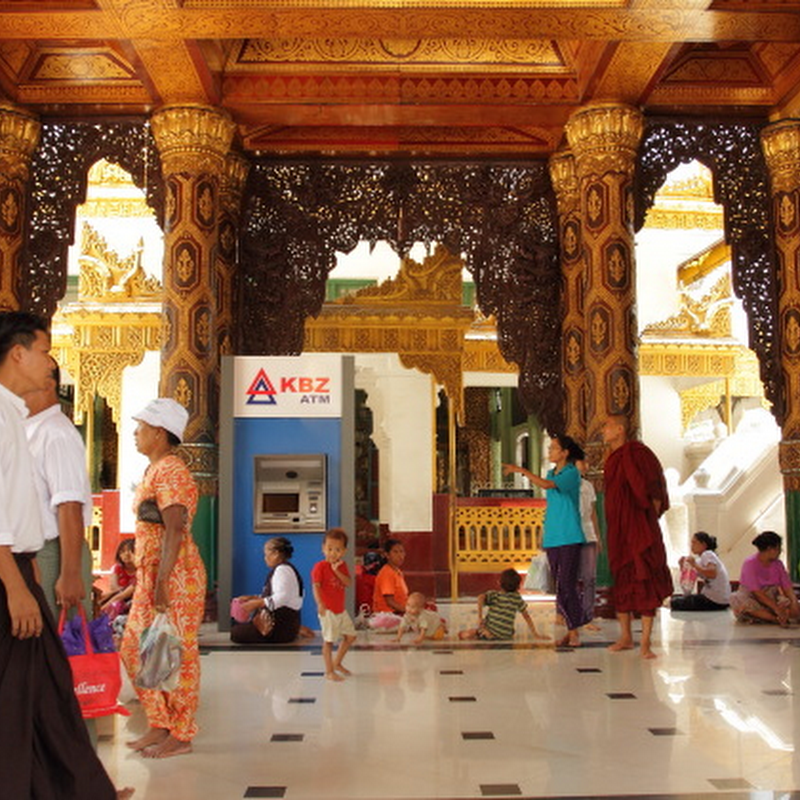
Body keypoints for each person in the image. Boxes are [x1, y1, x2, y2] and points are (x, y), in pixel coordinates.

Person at [0, 311, 132, 799]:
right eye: (43, 351)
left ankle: (79, 786)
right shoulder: (5, 418)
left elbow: (63, 508)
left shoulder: (38, 426)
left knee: (47, 684)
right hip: (13, 569)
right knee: (29, 689)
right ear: (17, 354)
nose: (51, 364)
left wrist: (48, 573)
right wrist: (18, 585)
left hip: (29, 563)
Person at [120, 398, 207, 759]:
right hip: (150, 575)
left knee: (180, 653)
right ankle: (160, 722)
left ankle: (182, 732)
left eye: (141, 428)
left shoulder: (171, 470)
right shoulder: (154, 470)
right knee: (133, 649)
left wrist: (161, 583)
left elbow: (174, 529)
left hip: (175, 576)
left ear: (159, 433)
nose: (136, 434)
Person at [23, 365, 94, 621]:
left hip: (53, 555)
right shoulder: (30, 429)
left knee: (55, 644)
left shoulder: (55, 433)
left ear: (47, 383)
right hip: (32, 553)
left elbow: (69, 505)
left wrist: (70, 574)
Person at [504, 433, 586, 648]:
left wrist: (522, 471)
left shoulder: (571, 473)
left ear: (565, 453)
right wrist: (544, 535)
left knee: (568, 585)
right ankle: (571, 630)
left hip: (569, 536)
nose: (549, 452)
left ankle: (575, 630)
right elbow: (551, 505)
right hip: (553, 537)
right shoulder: (552, 471)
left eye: (553, 448)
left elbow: (548, 485)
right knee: (559, 587)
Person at [602, 415, 673, 659]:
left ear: (620, 430)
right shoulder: (611, 460)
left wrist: (648, 520)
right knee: (622, 579)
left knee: (645, 581)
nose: (603, 430)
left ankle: (645, 642)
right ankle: (625, 637)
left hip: (639, 527)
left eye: (607, 426)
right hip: (619, 529)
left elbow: (654, 488)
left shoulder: (638, 454)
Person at [230, 536, 305, 644]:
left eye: (266, 555)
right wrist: (253, 598)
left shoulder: (282, 570)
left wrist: (257, 603)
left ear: (276, 553)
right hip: (286, 625)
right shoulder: (283, 569)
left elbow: (282, 597)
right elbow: (276, 596)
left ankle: (294, 631)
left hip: (280, 627)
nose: (265, 558)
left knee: (236, 633)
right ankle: (297, 630)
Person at [311, 527, 357, 681]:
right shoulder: (320, 567)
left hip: (340, 610)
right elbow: (316, 586)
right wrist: (320, 603)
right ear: (323, 548)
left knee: (350, 637)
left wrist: (337, 571)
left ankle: (337, 663)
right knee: (329, 641)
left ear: (344, 551)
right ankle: (329, 671)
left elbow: (348, 583)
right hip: (328, 610)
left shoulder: (342, 566)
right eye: (329, 549)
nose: (333, 553)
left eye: (337, 550)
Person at [729, 531, 800, 625]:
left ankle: (777, 616)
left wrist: (794, 602)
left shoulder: (778, 564)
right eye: (778, 549)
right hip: (752, 597)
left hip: (772, 597)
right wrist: (776, 609)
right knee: (741, 602)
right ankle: (774, 619)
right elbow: (757, 592)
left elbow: (787, 586)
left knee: (788, 604)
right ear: (770, 549)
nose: (780, 551)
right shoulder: (750, 563)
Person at [458, 568, 547, 641]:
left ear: (499, 583)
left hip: (490, 629)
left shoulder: (495, 595)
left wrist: (480, 617)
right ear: (518, 586)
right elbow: (526, 616)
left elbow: (480, 597)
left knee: (472, 632)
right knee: (491, 630)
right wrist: (535, 634)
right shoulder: (517, 598)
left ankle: (481, 633)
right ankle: (487, 634)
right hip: (506, 635)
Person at [574, 453, 602, 630]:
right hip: (570, 534)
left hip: (588, 534)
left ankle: (587, 615)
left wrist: (597, 536)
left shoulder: (588, 486)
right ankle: (571, 614)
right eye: (582, 461)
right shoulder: (563, 486)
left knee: (590, 577)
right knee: (572, 577)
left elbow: (592, 513)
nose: (586, 465)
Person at [670, 532, 731, 611]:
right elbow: (689, 580)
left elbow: (712, 573)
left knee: (675, 602)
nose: (692, 546)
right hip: (719, 600)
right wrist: (682, 566)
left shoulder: (708, 554)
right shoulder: (701, 559)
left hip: (714, 600)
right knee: (678, 599)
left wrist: (694, 564)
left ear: (704, 545)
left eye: (695, 543)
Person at [100, 537, 137, 622]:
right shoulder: (117, 568)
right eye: (123, 552)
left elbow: (125, 594)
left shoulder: (140, 571)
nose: (126, 555)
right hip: (118, 595)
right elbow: (114, 587)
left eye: (130, 551)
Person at [372, 538, 409, 614]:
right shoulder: (387, 573)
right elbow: (390, 602)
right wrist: (409, 611)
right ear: (387, 555)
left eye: (401, 551)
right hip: (387, 616)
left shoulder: (397, 572)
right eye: (395, 552)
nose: (400, 555)